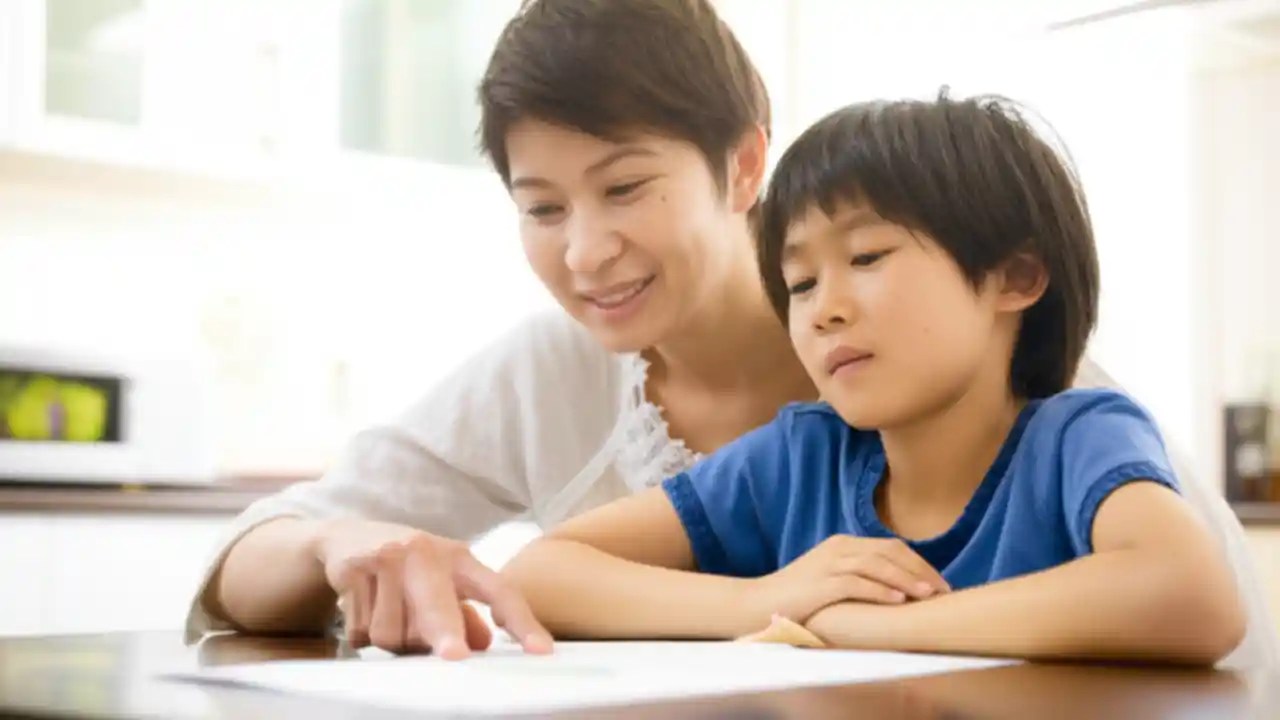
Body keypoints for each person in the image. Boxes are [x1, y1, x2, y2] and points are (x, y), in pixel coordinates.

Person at [186, 0, 1274, 668]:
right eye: (543, 207)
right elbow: (267, 556)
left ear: (742, 166)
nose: (586, 252)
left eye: (624, 186)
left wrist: (854, 627)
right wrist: (337, 542)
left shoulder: (1018, 391)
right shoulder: (733, 430)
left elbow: (1196, 602)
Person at [501, 94, 1266, 667]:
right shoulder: (802, 459)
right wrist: (763, 601)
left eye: (866, 259)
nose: (822, 311)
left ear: (1016, 275)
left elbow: (1192, 596)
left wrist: (865, 628)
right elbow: (540, 575)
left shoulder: (1079, 438)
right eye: (799, 284)